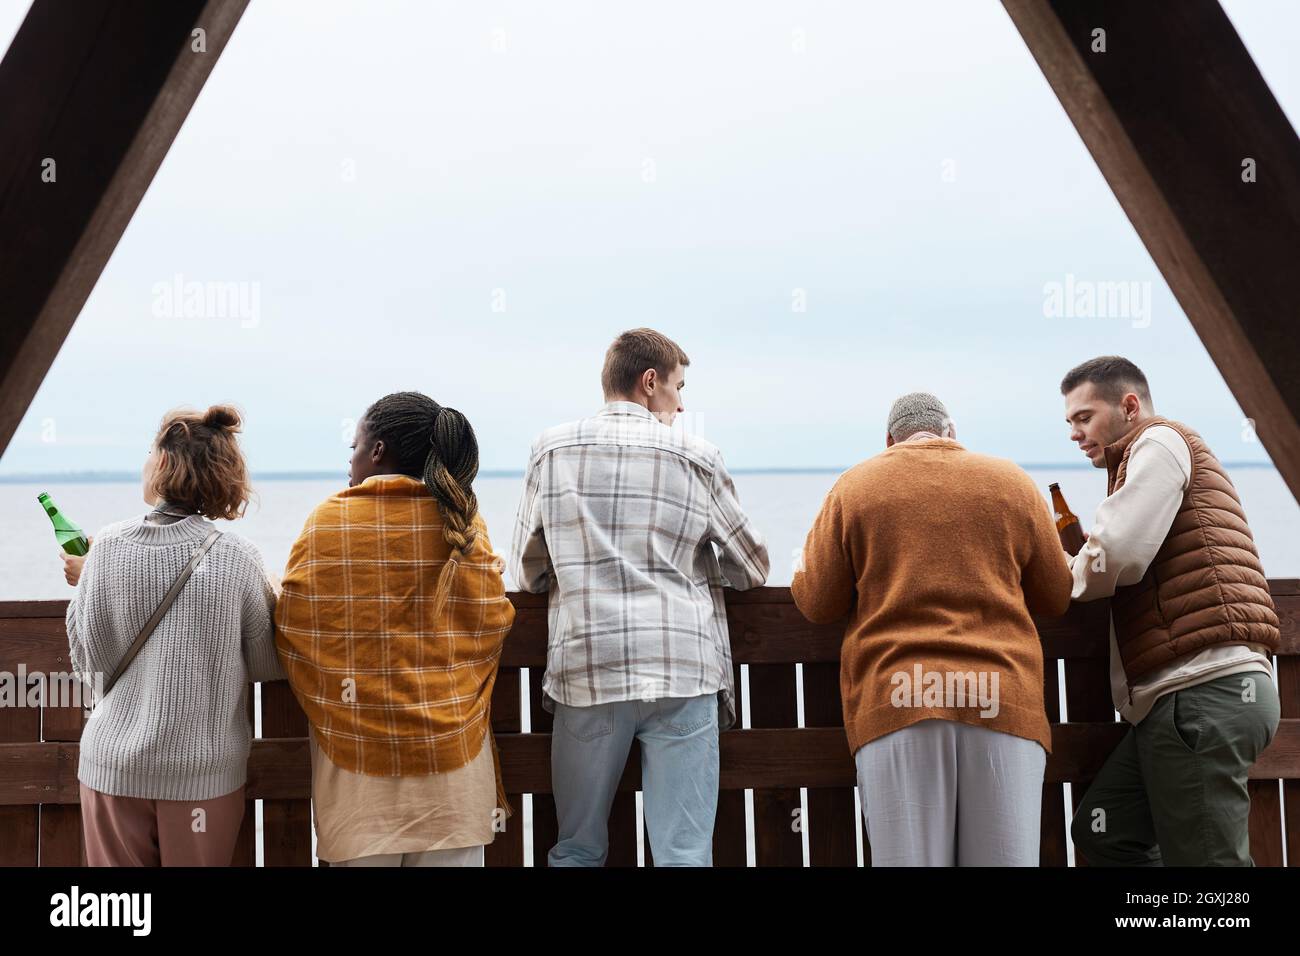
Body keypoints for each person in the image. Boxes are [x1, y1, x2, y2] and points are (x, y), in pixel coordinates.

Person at [510, 328, 769, 866]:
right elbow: (752, 567)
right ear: (649, 382)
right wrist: (699, 568)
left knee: (578, 848)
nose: (682, 401)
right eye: (678, 386)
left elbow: (528, 571)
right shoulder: (699, 455)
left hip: (589, 666)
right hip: (682, 668)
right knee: (683, 852)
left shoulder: (550, 449)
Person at [792, 391, 1072, 866]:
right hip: (1001, 699)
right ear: (952, 435)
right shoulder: (1012, 482)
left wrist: (802, 565)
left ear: (889, 441)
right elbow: (1056, 595)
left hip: (900, 698)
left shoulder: (855, 486)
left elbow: (818, 602)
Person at [275, 391, 515, 867]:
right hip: (454, 772)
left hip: (358, 776)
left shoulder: (329, 521)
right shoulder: (464, 522)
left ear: (378, 451)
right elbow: (494, 620)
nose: (351, 459)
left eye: (355, 446)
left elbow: (292, 626)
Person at [1060, 356, 1280, 866]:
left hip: (1201, 693)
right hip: (1193, 699)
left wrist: (1062, 577)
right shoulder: (1153, 456)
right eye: (1069, 422)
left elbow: (1118, 554)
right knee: (1106, 828)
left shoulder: (1157, 443)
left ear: (1129, 406)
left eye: (1084, 417)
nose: (1074, 432)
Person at [64, 404, 283, 866]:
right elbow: (266, 663)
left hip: (113, 769)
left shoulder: (105, 547)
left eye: (149, 451)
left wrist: (85, 584)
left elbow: (90, 668)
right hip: (201, 776)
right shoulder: (238, 557)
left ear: (163, 462)